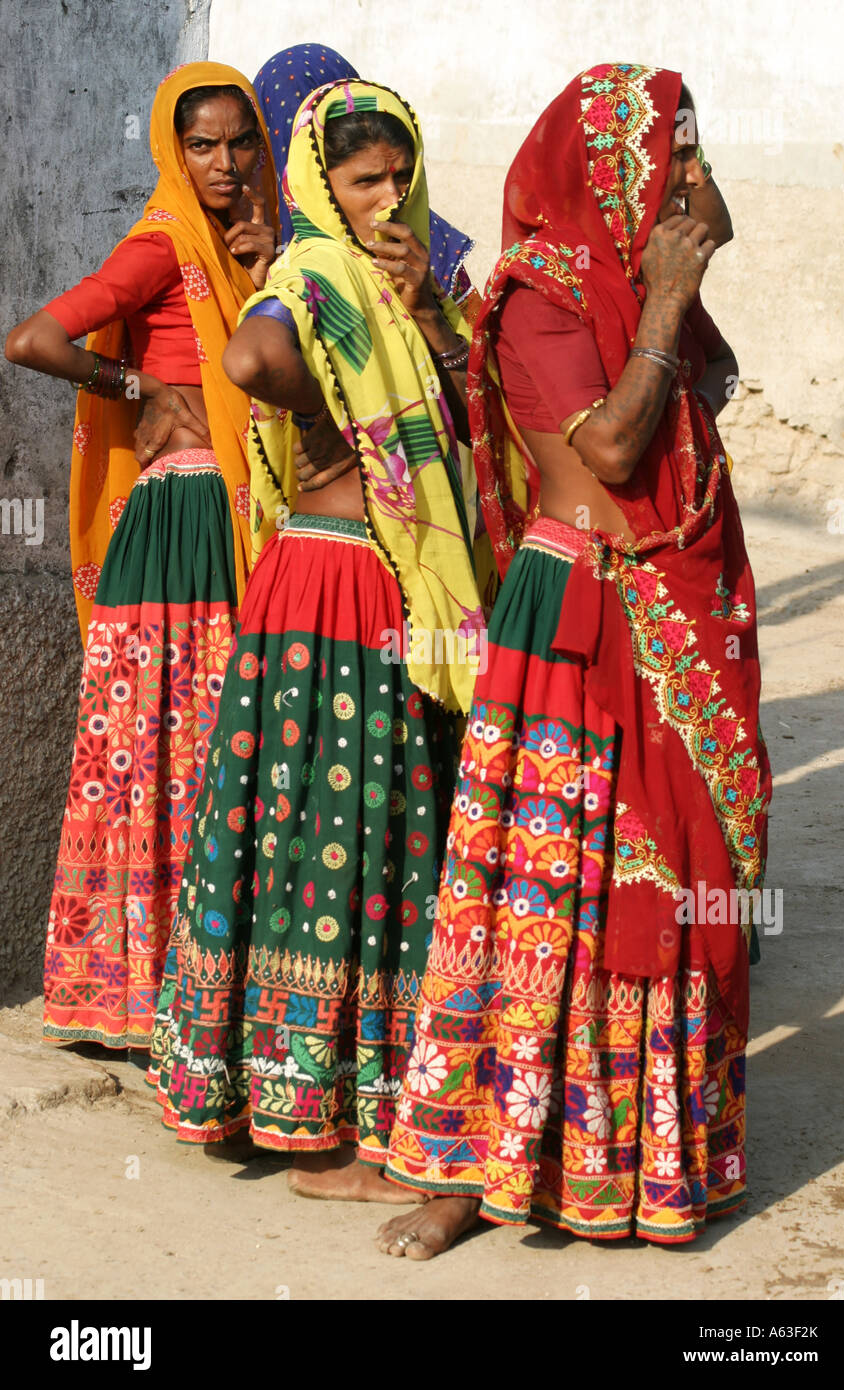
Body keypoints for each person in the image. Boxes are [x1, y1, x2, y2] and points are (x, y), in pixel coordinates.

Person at [378, 62, 772, 1257]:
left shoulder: (629, 270)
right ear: (601, 173)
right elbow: (607, 445)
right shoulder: (538, 293)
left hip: (669, 607)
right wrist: (659, 302)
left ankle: (651, 1163)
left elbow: (714, 378)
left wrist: (686, 254)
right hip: (575, 615)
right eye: (667, 162)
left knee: (663, 883)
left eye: (689, 158)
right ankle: (474, 1167)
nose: (686, 183)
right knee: (542, 892)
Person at [147, 77, 487, 1202]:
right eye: (362, 180)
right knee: (350, 830)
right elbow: (250, 362)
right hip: (339, 583)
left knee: (311, 823)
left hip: (336, 586)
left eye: (400, 177)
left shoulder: (404, 289)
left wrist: (430, 317)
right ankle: (336, 1140)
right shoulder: (315, 272)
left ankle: (276, 1098)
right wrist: (333, 418)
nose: (387, 198)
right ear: (320, 188)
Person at [4, 63, 279, 1048]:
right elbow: (33, 337)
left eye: (241, 141)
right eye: (201, 144)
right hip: (178, 526)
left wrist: (267, 270)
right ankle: (134, 988)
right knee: (163, 744)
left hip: (228, 521)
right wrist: (143, 388)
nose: (223, 161)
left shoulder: (248, 248)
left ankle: (196, 983)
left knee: (205, 746)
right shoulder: (162, 246)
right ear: (172, 148)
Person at [253, 43, 479, 312]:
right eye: (367, 181)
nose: (393, 199)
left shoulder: (421, 238)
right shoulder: (256, 236)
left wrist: (426, 312)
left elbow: (478, 346)